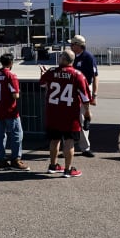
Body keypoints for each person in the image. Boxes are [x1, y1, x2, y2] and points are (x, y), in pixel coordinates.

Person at [39, 48, 91, 178]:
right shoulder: (77, 75)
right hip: (69, 115)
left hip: (53, 113)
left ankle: (53, 165)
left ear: (63, 59)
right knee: (69, 141)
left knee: (54, 140)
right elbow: (85, 98)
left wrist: (43, 74)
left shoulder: (51, 72)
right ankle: (68, 170)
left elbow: (42, 84)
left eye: (61, 56)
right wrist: (87, 113)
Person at [0, 53, 29, 170]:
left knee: (0, 135)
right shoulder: (11, 76)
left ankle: (1, 160)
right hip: (10, 110)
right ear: (11, 63)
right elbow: (15, 95)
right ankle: (16, 159)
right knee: (17, 134)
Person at [68, 34, 98, 157]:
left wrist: (94, 95)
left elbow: (95, 77)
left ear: (78, 45)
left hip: (84, 90)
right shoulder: (71, 57)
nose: (70, 46)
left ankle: (85, 148)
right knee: (69, 118)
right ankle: (68, 146)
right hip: (71, 90)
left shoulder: (88, 57)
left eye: (72, 44)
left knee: (82, 118)